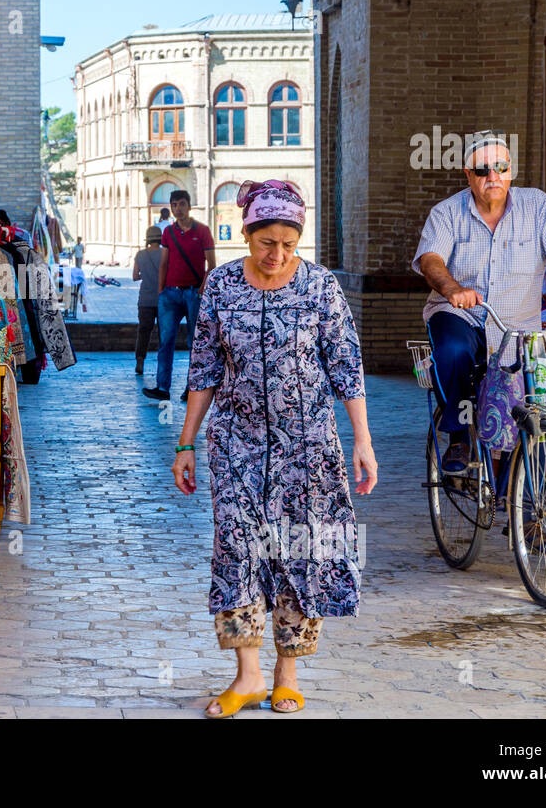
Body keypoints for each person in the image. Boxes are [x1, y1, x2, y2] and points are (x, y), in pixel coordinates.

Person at [171, 179, 378, 718]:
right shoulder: (220, 287)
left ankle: (287, 675)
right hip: (237, 442)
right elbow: (204, 369)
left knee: (301, 553)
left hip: (308, 446)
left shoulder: (320, 287)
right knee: (237, 552)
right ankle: (247, 676)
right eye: (267, 243)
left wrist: (362, 440)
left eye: (289, 244)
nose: (277, 255)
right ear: (246, 234)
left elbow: (345, 367)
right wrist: (186, 442)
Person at [412, 131, 546, 473]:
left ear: (511, 170)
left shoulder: (538, 206)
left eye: (500, 167)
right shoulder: (446, 213)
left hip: (516, 326)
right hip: (461, 314)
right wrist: (452, 289)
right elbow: (431, 260)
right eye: (482, 170)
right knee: (453, 352)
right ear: (468, 175)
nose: (493, 176)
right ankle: (457, 437)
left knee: (520, 403)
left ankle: (512, 495)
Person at [143, 190, 215, 401]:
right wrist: (160, 290)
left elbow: (211, 264)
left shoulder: (202, 231)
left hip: (193, 293)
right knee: (166, 342)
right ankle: (162, 388)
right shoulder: (168, 233)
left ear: (189, 206)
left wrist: (202, 288)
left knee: (195, 343)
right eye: (174, 205)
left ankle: (191, 388)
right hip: (170, 295)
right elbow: (164, 262)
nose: (178, 209)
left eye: (181, 204)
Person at [132, 226, 164, 376]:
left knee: (144, 331)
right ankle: (163, 364)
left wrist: (146, 275)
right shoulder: (166, 253)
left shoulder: (140, 254)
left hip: (145, 299)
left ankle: (140, 360)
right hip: (163, 299)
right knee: (164, 333)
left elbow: (134, 276)